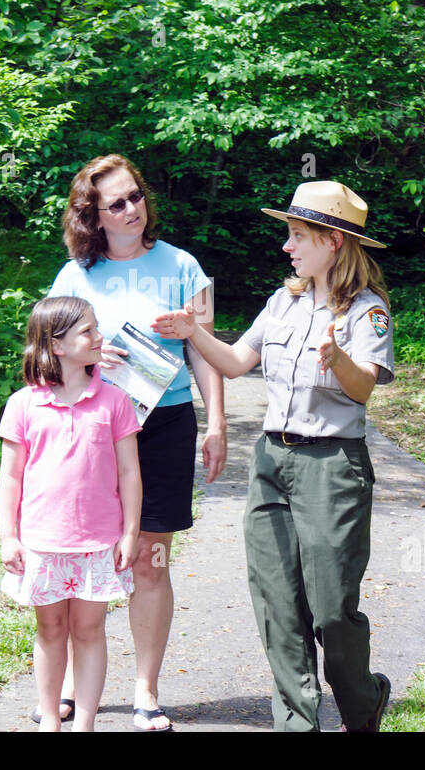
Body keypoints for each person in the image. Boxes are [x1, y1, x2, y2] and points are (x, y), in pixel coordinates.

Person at [153, 180, 395, 732]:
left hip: (332, 466)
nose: (287, 246)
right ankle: (297, 721)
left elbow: (362, 390)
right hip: (271, 462)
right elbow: (236, 362)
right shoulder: (281, 302)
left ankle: (362, 699)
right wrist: (194, 333)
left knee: (332, 609)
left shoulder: (367, 310)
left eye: (298, 235)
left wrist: (338, 360)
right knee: (278, 602)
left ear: (333, 241)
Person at [48, 153, 226, 731]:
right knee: (87, 552)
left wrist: (217, 423)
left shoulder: (183, 267)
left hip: (165, 425)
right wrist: (94, 354)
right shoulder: (76, 274)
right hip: (94, 428)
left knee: (150, 559)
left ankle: (147, 689)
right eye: (116, 203)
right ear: (93, 216)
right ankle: (74, 682)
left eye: (136, 196)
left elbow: (205, 351)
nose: (131, 210)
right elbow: (50, 349)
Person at [0, 296, 143, 732]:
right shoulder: (24, 404)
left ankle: (84, 723)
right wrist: (9, 535)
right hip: (42, 542)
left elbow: (130, 472)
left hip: (99, 542)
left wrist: (131, 532)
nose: (100, 338)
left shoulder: (115, 401)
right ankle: (49, 719)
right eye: (89, 331)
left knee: (89, 631)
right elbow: (10, 478)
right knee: (50, 630)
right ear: (56, 345)